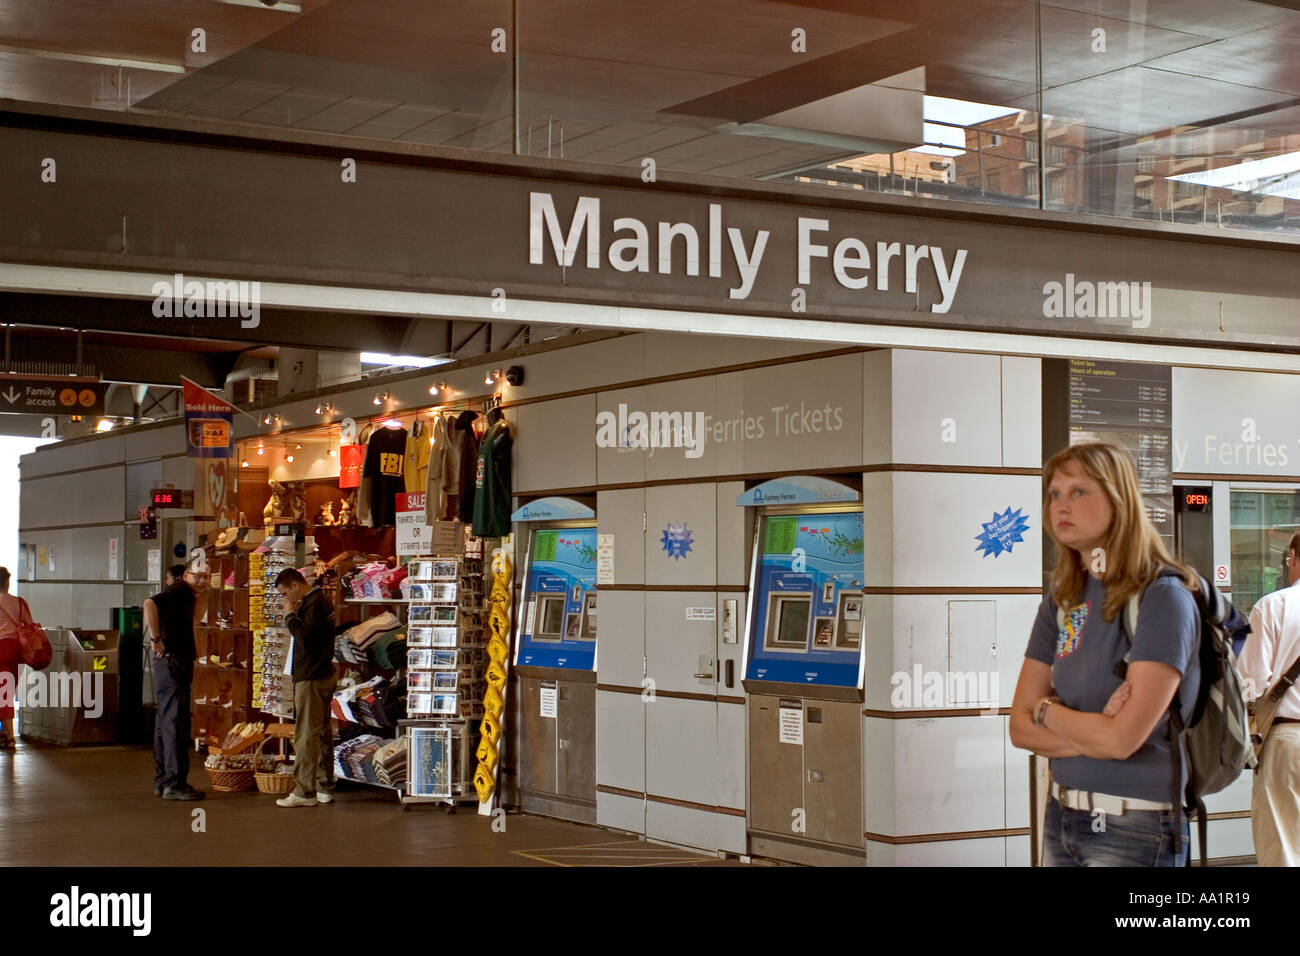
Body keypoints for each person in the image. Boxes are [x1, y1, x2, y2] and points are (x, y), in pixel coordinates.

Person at [1010, 442, 1201, 866]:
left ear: (1119, 500)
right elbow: (1019, 728)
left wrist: (1047, 710)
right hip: (1062, 814)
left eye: (1079, 492)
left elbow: (1120, 740)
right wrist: (1094, 729)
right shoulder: (1063, 598)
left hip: (1136, 827)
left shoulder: (1162, 597)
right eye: (1055, 494)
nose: (1061, 505)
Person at [1238, 531, 1300, 866]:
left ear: (1292, 557)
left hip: (1288, 739)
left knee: (1282, 848)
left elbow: (1252, 683)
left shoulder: (1274, 606)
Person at [144, 560, 207, 800]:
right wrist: (155, 638)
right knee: (175, 722)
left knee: (166, 720)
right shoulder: (179, 592)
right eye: (198, 575)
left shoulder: (185, 594)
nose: (202, 580)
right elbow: (149, 603)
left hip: (168, 663)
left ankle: (163, 780)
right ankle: (174, 783)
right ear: (186, 575)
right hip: (173, 662)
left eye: (206, 576)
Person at [275, 568, 338, 808]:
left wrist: (290, 616)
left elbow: (304, 637)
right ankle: (324, 785)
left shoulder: (314, 603)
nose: (285, 599)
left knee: (305, 735)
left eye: (284, 593)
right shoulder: (321, 601)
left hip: (310, 676)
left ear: (294, 585)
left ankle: (304, 791)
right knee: (321, 731)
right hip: (321, 673)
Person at [0, 567, 31, 751]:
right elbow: (29, 624)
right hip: (17, 652)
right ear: (6, 582)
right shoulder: (19, 602)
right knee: (7, 693)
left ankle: (9, 736)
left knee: (4, 694)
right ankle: (6, 734)